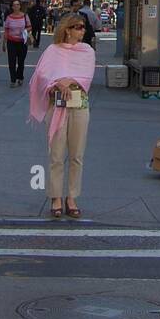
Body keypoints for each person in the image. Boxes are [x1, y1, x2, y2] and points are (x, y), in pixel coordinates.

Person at [28, 14, 96, 219]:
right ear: (67, 30)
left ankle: (72, 197)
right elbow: (42, 75)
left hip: (79, 105)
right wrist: (57, 83)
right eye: (78, 27)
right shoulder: (53, 50)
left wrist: (68, 80)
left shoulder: (87, 51)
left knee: (77, 155)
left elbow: (86, 76)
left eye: (83, 28)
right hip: (56, 106)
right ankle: (55, 197)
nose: (82, 31)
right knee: (56, 155)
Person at [3, 0, 32, 87]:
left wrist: (25, 31)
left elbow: (30, 26)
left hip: (22, 42)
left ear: (20, 6)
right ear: (12, 7)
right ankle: (13, 79)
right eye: (14, 5)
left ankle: (20, 77)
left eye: (18, 5)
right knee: (11, 61)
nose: (16, 6)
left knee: (21, 61)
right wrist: (4, 42)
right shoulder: (9, 17)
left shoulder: (24, 16)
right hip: (11, 41)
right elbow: (6, 30)